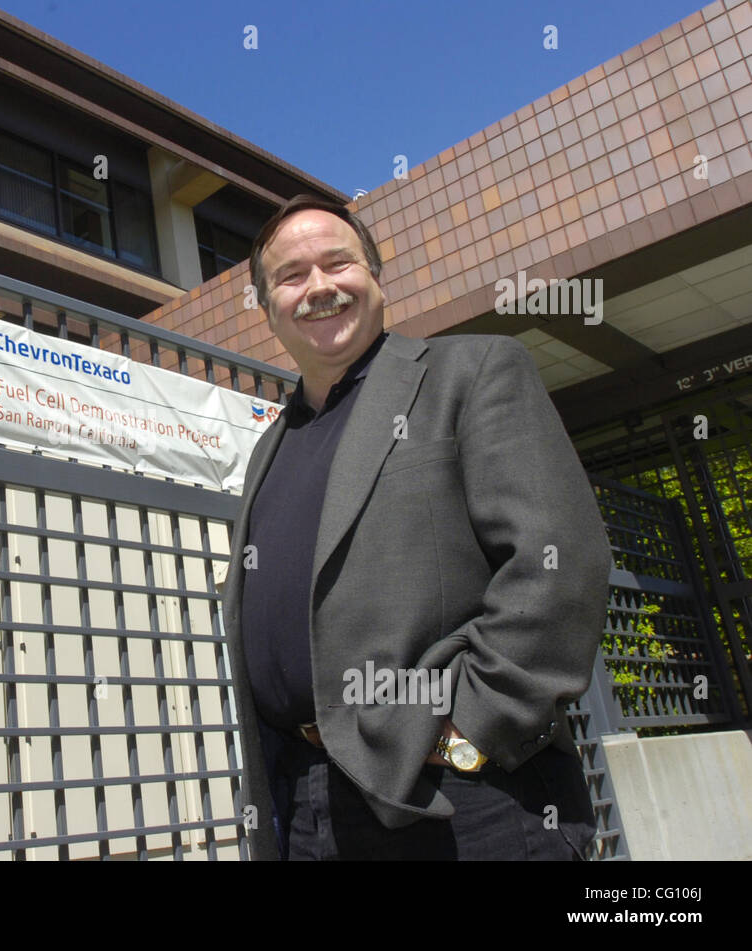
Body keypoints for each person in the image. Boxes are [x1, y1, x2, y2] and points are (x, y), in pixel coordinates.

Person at [223, 195, 611, 860]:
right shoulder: (270, 447)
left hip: (462, 797)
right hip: (306, 804)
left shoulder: (473, 371)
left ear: (376, 277)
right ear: (267, 308)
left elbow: (557, 564)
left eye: (336, 264)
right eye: (291, 276)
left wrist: (471, 728)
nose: (318, 286)